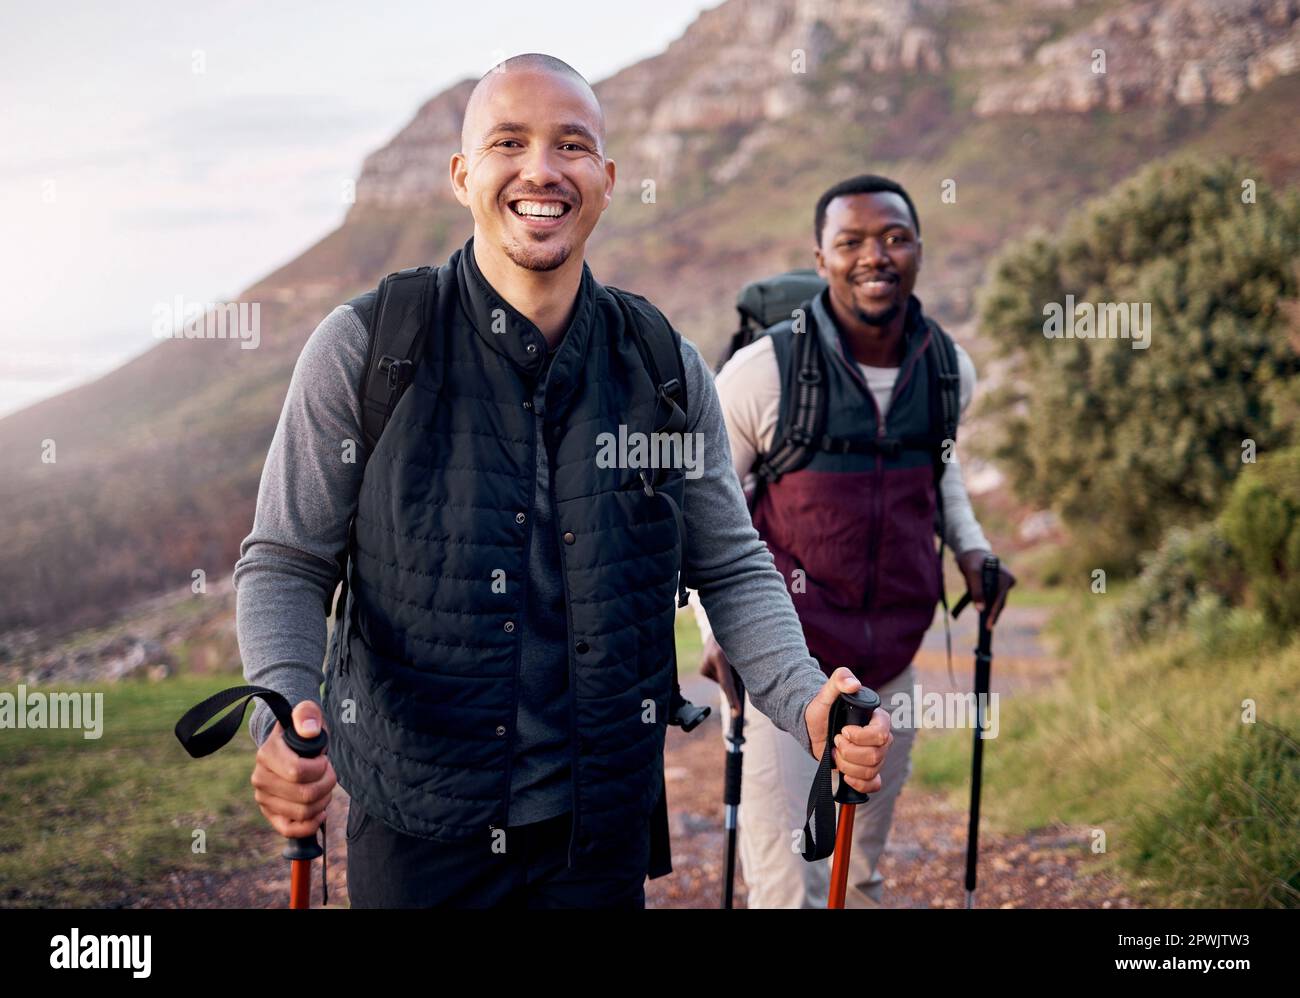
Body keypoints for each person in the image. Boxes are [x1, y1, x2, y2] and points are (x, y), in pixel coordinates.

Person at [234, 55, 893, 909]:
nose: (541, 169)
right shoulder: (366, 348)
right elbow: (285, 560)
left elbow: (729, 564)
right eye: (509, 141)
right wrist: (282, 709)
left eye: (572, 145)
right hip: (418, 831)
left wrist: (806, 699)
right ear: (463, 173)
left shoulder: (663, 366)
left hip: (599, 830)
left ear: (607, 180)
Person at [693, 174, 1015, 908]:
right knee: (788, 888)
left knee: (860, 873)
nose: (877, 256)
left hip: (890, 663)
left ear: (919, 252)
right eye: (852, 242)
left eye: (895, 238)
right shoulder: (764, 372)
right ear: (821, 258)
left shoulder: (944, 369)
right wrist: (716, 633)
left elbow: (939, 469)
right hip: (784, 667)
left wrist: (971, 548)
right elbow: (704, 514)